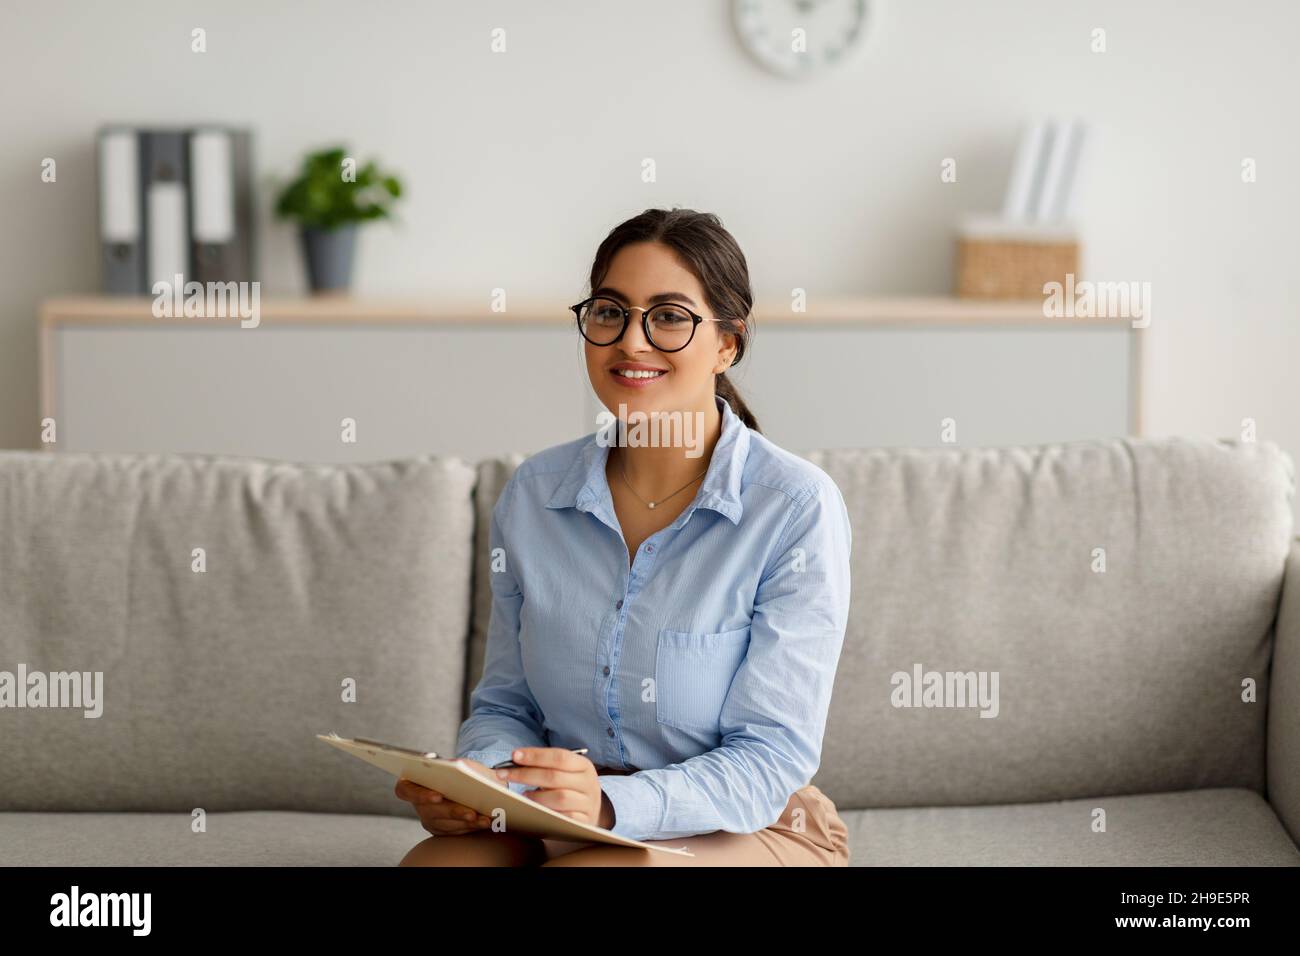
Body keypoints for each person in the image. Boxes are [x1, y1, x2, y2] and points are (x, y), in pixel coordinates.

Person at [398, 208, 852, 866]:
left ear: (728, 342)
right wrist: (482, 784)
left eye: (669, 316)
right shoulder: (534, 495)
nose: (631, 341)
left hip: (743, 822)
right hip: (565, 813)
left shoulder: (793, 508)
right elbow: (506, 702)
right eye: (610, 312)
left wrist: (612, 806)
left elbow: (770, 757)